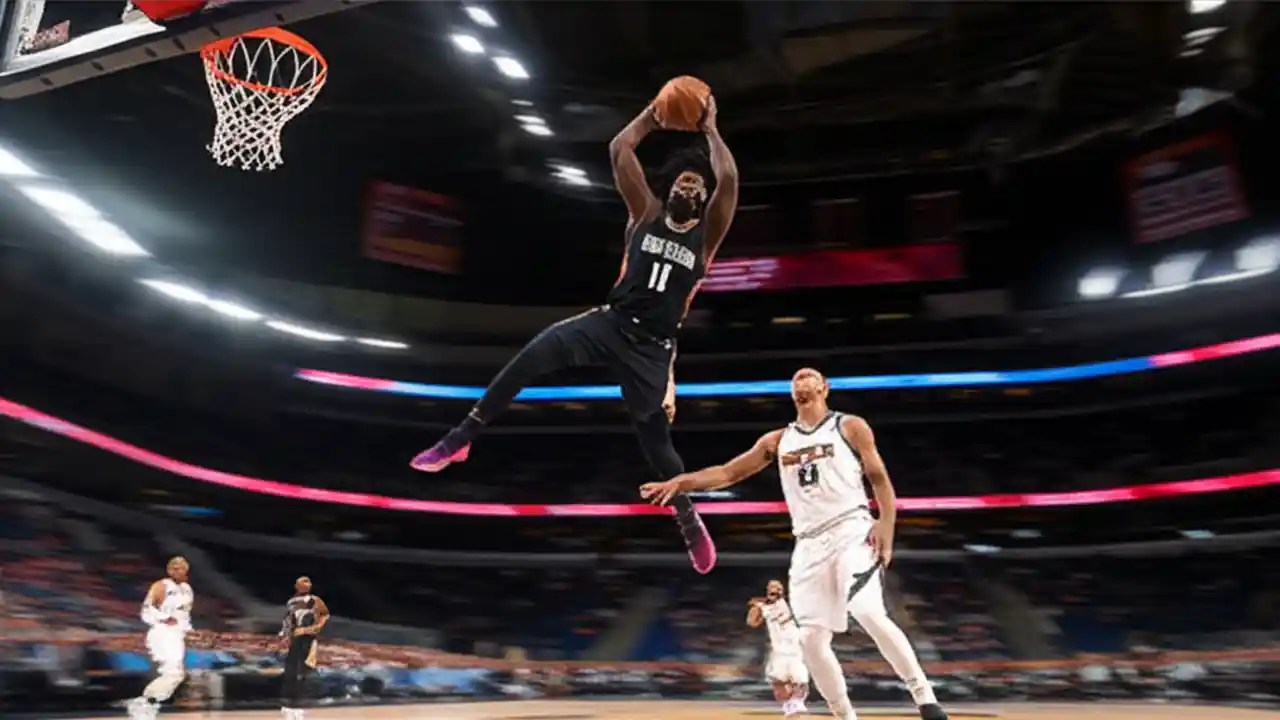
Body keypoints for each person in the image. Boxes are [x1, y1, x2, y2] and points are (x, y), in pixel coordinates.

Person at [411, 93, 739, 574]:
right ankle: (462, 436)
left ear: (703, 200)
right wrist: (651, 117)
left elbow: (729, 178)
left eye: (697, 185)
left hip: (653, 348)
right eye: (684, 180)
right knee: (534, 352)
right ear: (668, 189)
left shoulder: (705, 240)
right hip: (609, 322)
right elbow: (619, 149)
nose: (691, 187)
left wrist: (710, 128)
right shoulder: (644, 215)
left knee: (656, 443)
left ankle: (689, 519)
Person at [640, 368, 948, 720]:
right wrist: (681, 482)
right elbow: (727, 473)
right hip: (808, 543)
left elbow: (878, 477)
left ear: (825, 388)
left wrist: (887, 524)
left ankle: (925, 698)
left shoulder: (849, 426)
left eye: (809, 376)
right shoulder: (777, 440)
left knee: (866, 610)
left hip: (851, 528)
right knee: (810, 641)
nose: (801, 379)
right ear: (791, 393)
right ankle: (845, 716)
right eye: (795, 378)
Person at [126, 556, 198, 719]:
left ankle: (149, 702)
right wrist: (164, 618)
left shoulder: (187, 589)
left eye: (182, 567)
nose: (179, 570)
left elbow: (185, 616)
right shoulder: (161, 586)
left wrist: (190, 631)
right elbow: (146, 611)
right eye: (176, 567)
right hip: (162, 631)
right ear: (169, 570)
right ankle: (143, 702)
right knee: (173, 672)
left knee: (177, 675)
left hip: (177, 634)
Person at [748, 579, 810, 717]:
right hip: (778, 651)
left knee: (800, 680)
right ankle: (788, 705)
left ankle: (797, 702)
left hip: (795, 650)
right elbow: (752, 622)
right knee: (778, 682)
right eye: (771, 588)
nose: (774, 590)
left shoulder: (793, 604)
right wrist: (756, 608)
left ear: (783, 591)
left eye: (777, 588)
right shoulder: (765, 607)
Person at [279, 576, 329, 720]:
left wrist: (312, 629)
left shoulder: (315, 601)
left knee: (304, 671)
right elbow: (287, 620)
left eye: (307, 583)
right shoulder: (292, 602)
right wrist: (285, 635)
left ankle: (298, 704)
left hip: (308, 639)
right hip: (294, 639)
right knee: (290, 671)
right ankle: (288, 704)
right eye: (302, 583)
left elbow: (324, 617)